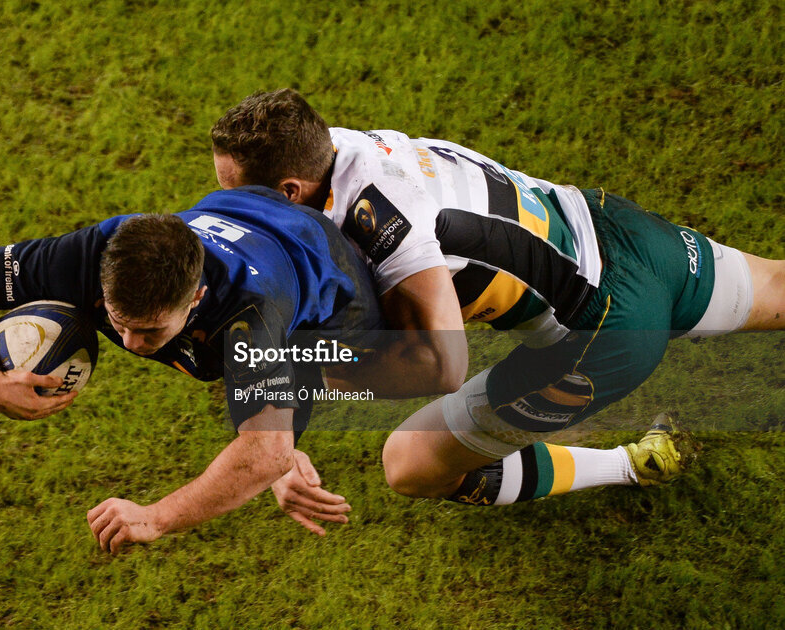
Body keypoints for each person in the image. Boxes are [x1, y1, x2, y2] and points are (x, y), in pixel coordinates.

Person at [210, 89, 785, 508]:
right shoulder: (335, 151)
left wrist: (305, 389)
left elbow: (439, 365)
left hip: (600, 335)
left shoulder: (381, 224)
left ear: (289, 190)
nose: (224, 203)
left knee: (409, 464)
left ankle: (631, 465)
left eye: (234, 192)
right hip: (618, 230)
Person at [0, 186, 396, 553]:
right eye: (117, 320)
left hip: (339, 299)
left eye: (149, 331)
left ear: (196, 298)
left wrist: (155, 516)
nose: (130, 344)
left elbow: (265, 454)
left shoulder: (249, 313)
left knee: (384, 378)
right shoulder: (100, 249)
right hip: (248, 207)